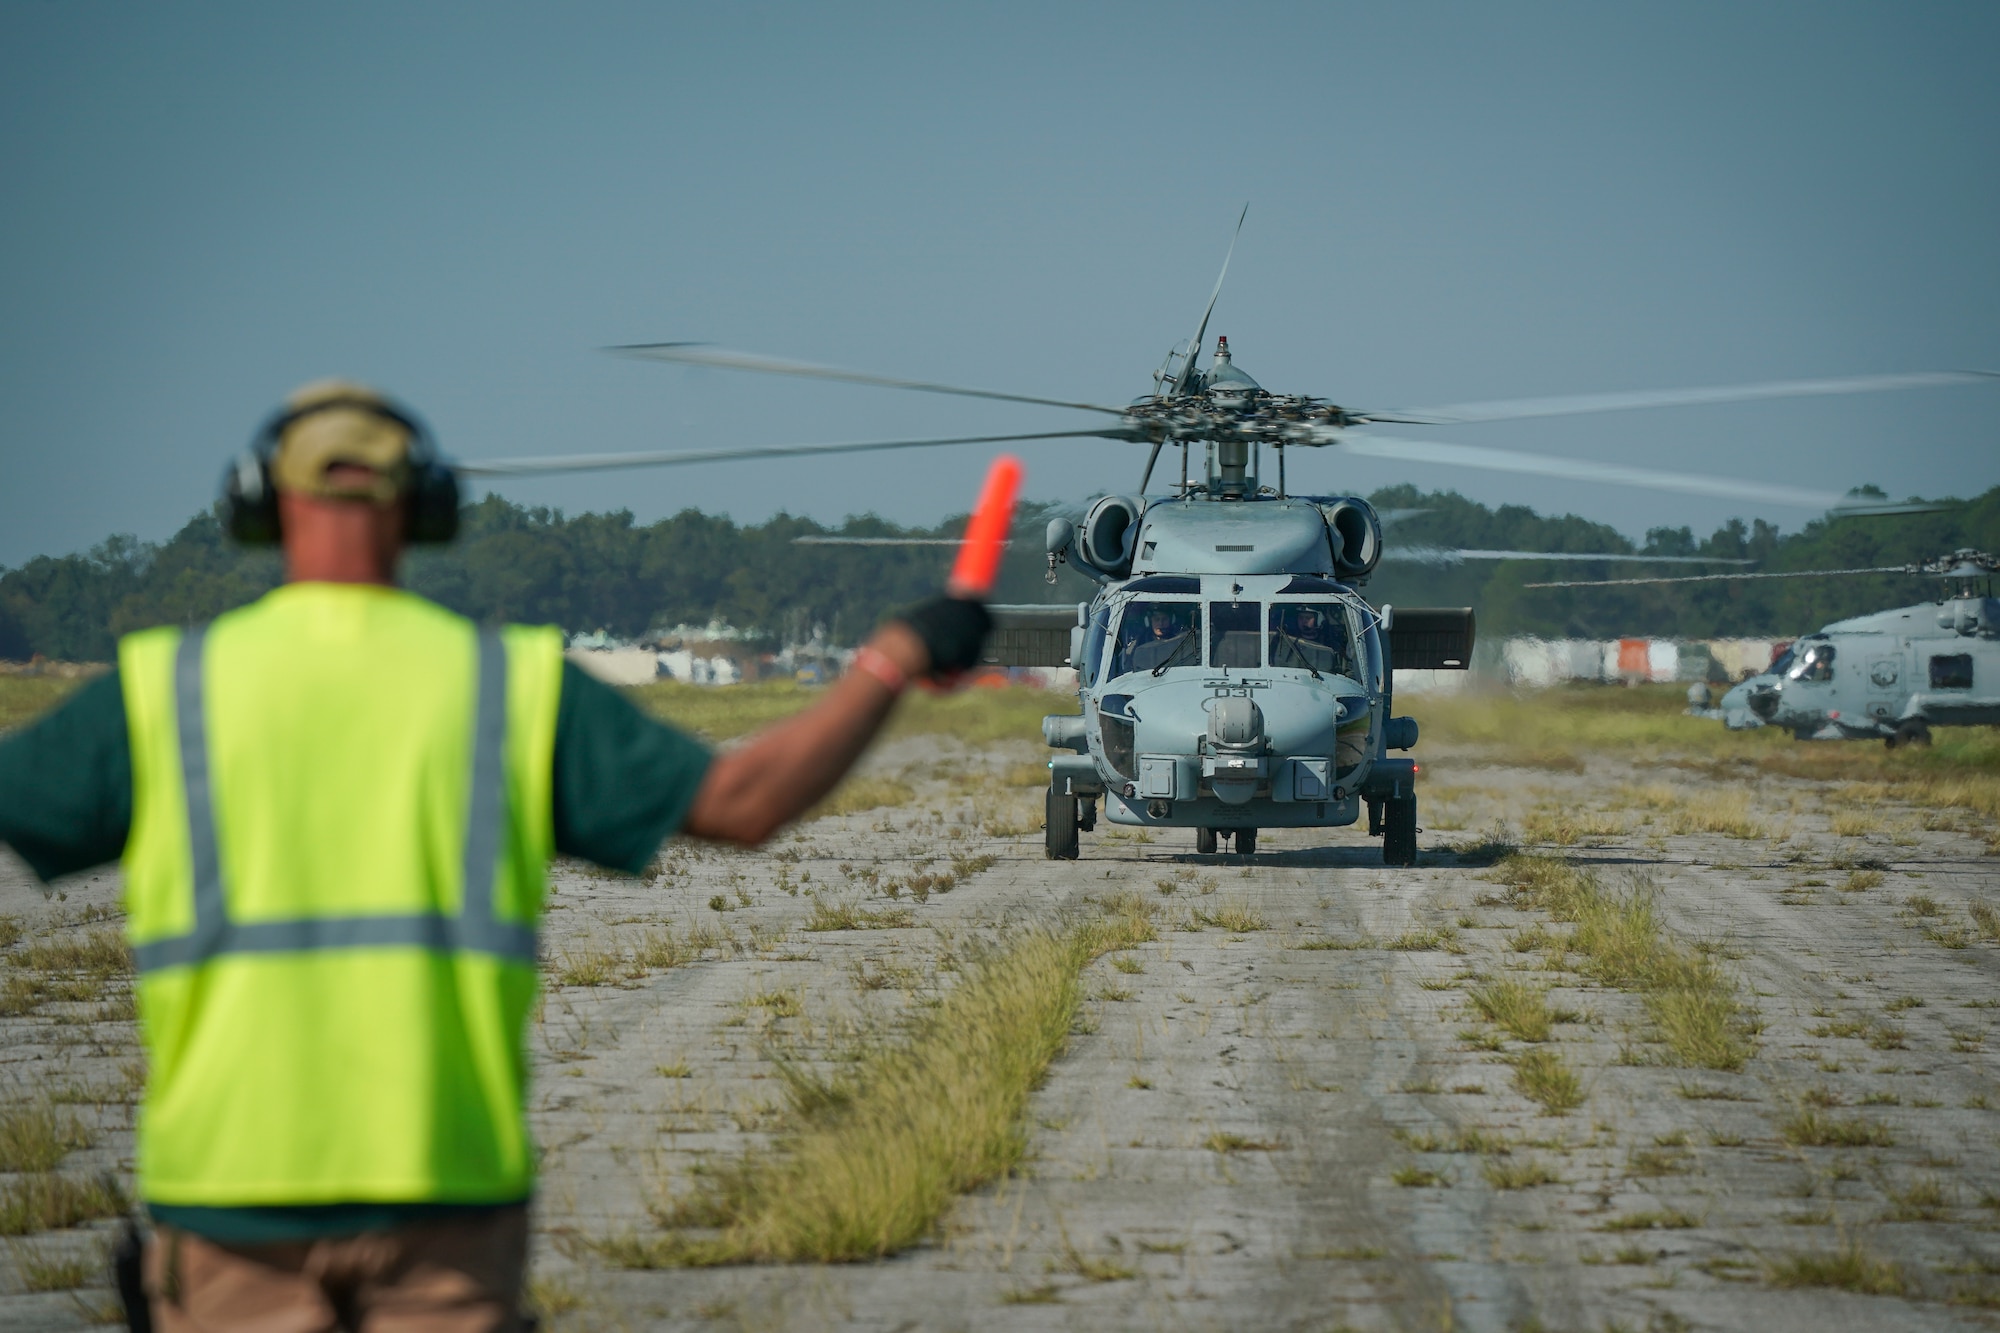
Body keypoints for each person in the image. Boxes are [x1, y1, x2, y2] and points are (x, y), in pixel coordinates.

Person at [0, 381, 991, 1333]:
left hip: (225, 1196)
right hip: (447, 1193)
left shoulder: (162, 690)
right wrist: (892, 656)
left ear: (260, 505)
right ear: (425, 508)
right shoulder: (507, 685)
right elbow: (745, 802)